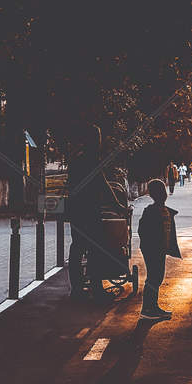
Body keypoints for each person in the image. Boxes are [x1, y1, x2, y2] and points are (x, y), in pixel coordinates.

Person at [67, 126, 118, 303]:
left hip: (76, 211)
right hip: (89, 210)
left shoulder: (76, 160)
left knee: (77, 248)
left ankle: (76, 289)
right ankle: (97, 289)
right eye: (98, 138)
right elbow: (103, 185)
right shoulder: (92, 160)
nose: (99, 141)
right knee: (96, 249)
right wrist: (118, 205)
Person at [137, 178, 181, 321]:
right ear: (156, 194)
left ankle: (152, 307)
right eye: (162, 191)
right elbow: (142, 231)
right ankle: (148, 309)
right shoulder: (150, 211)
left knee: (157, 277)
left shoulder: (164, 210)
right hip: (153, 250)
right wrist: (152, 246)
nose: (164, 194)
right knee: (153, 278)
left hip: (159, 250)